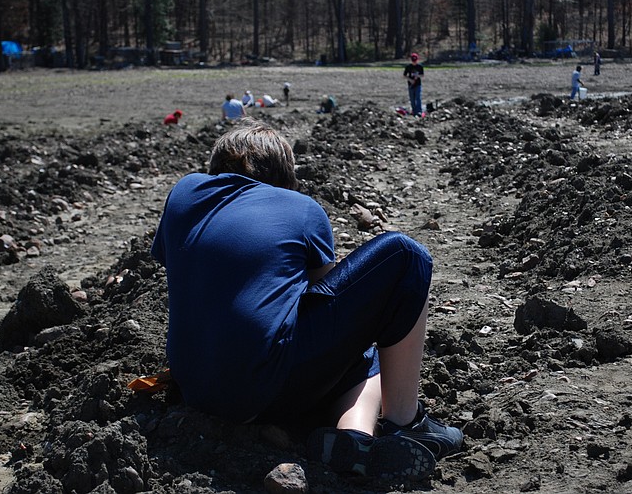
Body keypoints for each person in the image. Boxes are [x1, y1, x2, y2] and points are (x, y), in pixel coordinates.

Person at [151, 123, 462, 480]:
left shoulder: (183, 194)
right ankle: (405, 422)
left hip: (195, 389)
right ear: (286, 176)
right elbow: (318, 295)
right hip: (260, 387)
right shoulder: (302, 208)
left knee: (357, 354)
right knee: (405, 256)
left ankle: (355, 442)